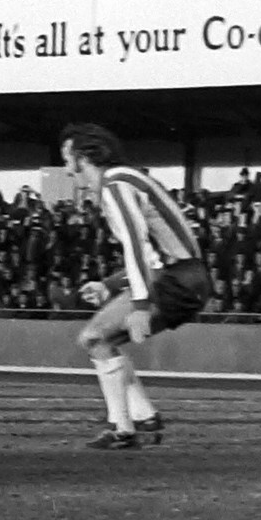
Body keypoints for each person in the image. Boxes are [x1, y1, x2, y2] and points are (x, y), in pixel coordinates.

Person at [61, 122, 210, 450]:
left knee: (94, 338)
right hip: (184, 277)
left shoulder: (115, 185)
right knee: (104, 340)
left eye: (67, 159)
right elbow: (153, 254)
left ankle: (123, 428)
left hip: (177, 279)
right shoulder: (124, 180)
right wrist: (110, 285)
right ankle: (144, 418)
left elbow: (137, 246)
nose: (67, 170)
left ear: (83, 157)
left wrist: (140, 305)